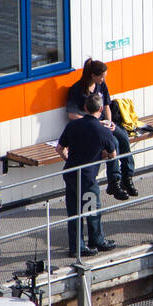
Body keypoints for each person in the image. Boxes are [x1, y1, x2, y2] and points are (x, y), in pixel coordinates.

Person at [56, 93, 117, 258]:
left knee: (74, 212)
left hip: (70, 173)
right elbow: (113, 154)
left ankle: (76, 246)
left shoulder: (73, 125)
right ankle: (96, 240)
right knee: (91, 210)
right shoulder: (102, 131)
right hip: (87, 178)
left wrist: (68, 159)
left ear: (84, 108)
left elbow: (59, 149)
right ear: (100, 110)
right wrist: (101, 155)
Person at [66, 58, 137, 200]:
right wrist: (93, 122)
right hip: (89, 126)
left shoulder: (102, 86)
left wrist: (109, 123)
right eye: (102, 76)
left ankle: (127, 177)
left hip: (103, 123)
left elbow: (107, 107)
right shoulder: (77, 90)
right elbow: (72, 114)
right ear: (93, 76)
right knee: (113, 143)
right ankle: (114, 182)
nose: (104, 79)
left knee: (123, 137)